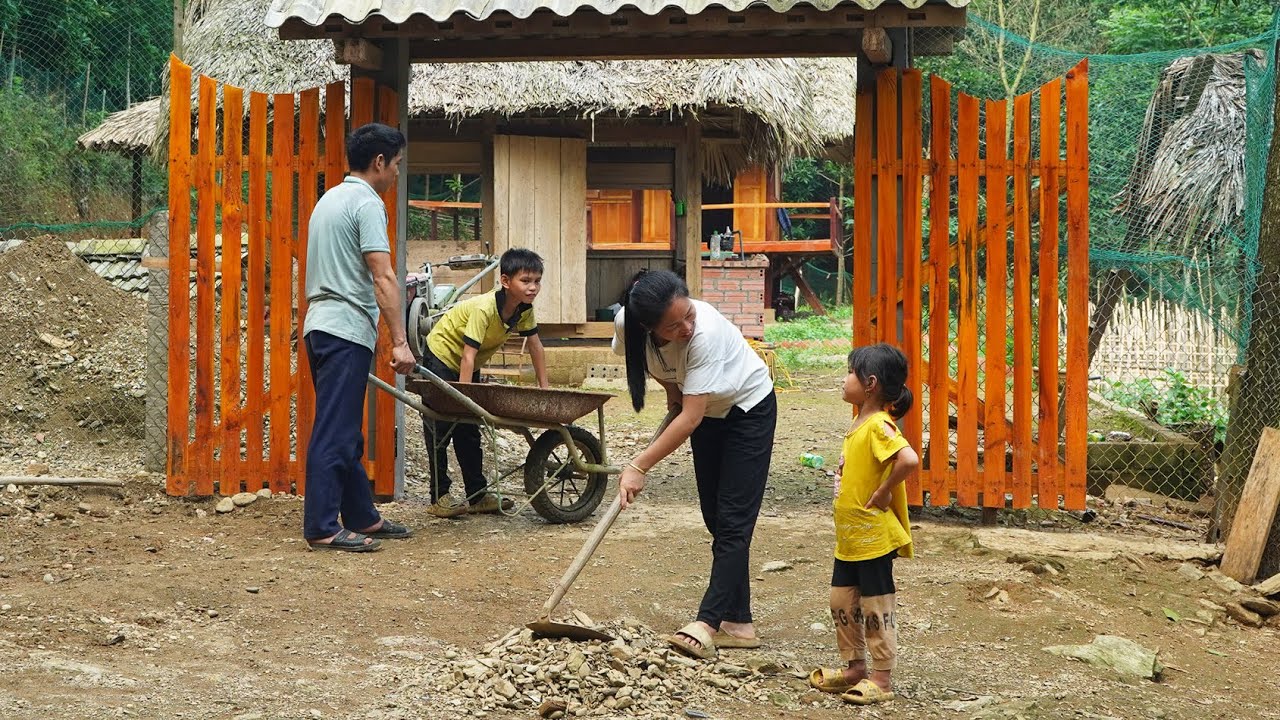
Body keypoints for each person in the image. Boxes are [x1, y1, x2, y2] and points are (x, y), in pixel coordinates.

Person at [613, 270, 777, 661]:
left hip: (747, 410)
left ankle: (707, 623)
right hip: (707, 412)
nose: (686, 327)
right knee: (716, 517)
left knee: (734, 521)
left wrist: (638, 465)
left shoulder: (706, 332)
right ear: (648, 326)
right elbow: (650, 361)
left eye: (688, 314)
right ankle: (739, 624)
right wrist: (673, 389)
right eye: (673, 326)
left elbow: (689, 419)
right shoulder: (627, 322)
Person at [301, 122, 416, 552]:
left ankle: (363, 516)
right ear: (379, 162)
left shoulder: (329, 199)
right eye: (397, 164)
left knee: (346, 430)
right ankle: (321, 526)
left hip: (320, 325)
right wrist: (400, 341)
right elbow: (383, 276)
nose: (398, 173)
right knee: (335, 430)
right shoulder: (367, 203)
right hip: (345, 329)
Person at [807, 344, 919, 705]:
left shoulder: (878, 425)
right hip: (850, 540)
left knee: (876, 607)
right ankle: (855, 668)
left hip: (873, 539)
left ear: (870, 383)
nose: (844, 379)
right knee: (841, 602)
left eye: (849, 373)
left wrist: (885, 491)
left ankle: (881, 679)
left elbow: (908, 459)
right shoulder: (859, 424)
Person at [421, 248, 550, 517]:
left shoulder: (524, 310)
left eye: (537, 281)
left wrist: (545, 390)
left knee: (469, 428)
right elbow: (467, 355)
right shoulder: (485, 308)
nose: (533, 287)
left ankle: (477, 496)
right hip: (442, 354)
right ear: (505, 281)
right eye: (526, 281)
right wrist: (464, 396)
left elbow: (535, 346)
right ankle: (439, 497)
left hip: (468, 363)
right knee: (440, 426)